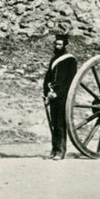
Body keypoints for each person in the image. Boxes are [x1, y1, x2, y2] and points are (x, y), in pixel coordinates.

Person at [42, 32, 78, 160]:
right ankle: (54, 149)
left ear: (64, 45)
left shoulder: (70, 60)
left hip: (62, 96)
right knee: (53, 122)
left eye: (59, 44)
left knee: (60, 123)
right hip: (52, 96)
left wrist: (58, 93)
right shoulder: (53, 59)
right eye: (56, 44)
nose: (57, 46)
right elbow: (48, 78)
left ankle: (61, 151)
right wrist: (47, 92)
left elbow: (70, 81)